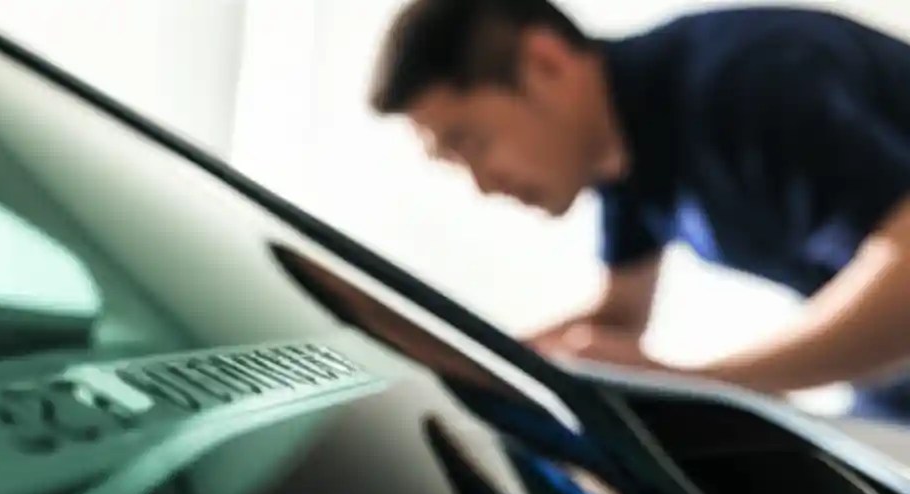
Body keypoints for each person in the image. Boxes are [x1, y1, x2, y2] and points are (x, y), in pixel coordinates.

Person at [368, 0, 910, 422]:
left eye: (472, 142)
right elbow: (618, 321)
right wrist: (458, 364)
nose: (483, 185)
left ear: (545, 62)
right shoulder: (624, 156)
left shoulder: (746, 82)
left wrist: (707, 387)